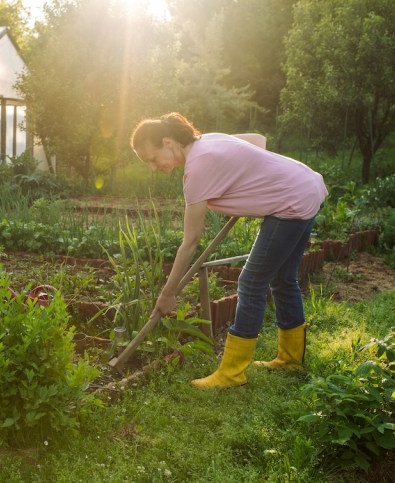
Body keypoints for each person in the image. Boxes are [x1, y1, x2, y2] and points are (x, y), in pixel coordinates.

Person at [130, 112, 328, 390]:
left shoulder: (197, 168)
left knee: (251, 282)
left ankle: (232, 373)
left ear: (167, 142)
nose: (153, 168)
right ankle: (291, 359)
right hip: (307, 186)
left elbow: (191, 240)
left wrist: (168, 293)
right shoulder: (207, 141)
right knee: (282, 278)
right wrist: (241, 175)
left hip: (291, 204)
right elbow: (257, 140)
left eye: (152, 159)